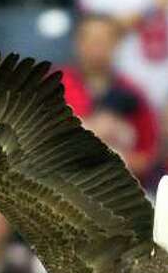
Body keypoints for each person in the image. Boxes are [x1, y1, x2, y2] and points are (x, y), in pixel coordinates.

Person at [58, 15, 160, 178]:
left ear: (116, 44)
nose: (96, 47)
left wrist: (117, 160)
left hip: (116, 188)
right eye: (90, 40)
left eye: (103, 40)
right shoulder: (54, 86)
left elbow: (148, 153)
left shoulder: (133, 93)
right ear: (77, 42)